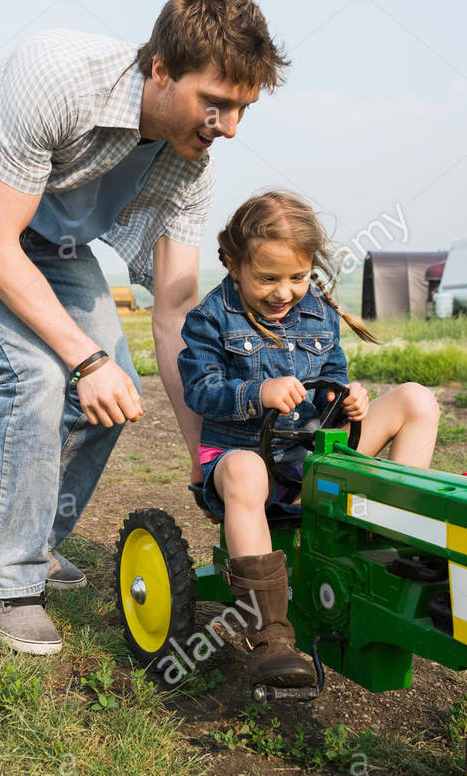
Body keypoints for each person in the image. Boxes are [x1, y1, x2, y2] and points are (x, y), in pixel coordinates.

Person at [0, 0, 289, 655]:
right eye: (216, 103)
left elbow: (174, 313)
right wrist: (84, 358)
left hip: (45, 226)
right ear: (161, 70)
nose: (228, 127)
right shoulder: (57, 74)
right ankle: (8, 582)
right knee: (39, 374)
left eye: (241, 110)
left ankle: (38, 542)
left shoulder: (191, 169)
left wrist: (208, 455)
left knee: (120, 388)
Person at [179, 191, 440, 686]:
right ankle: (271, 636)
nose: (283, 292)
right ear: (234, 265)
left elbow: (332, 381)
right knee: (245, 469)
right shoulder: (210, 319)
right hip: (244, 458)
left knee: (416, 399)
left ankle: (393, 545)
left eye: (297, 278)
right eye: (268, 278)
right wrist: (258, 392)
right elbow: (200, 389)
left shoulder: (317, 314)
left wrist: (347, 401)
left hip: (308, 458)